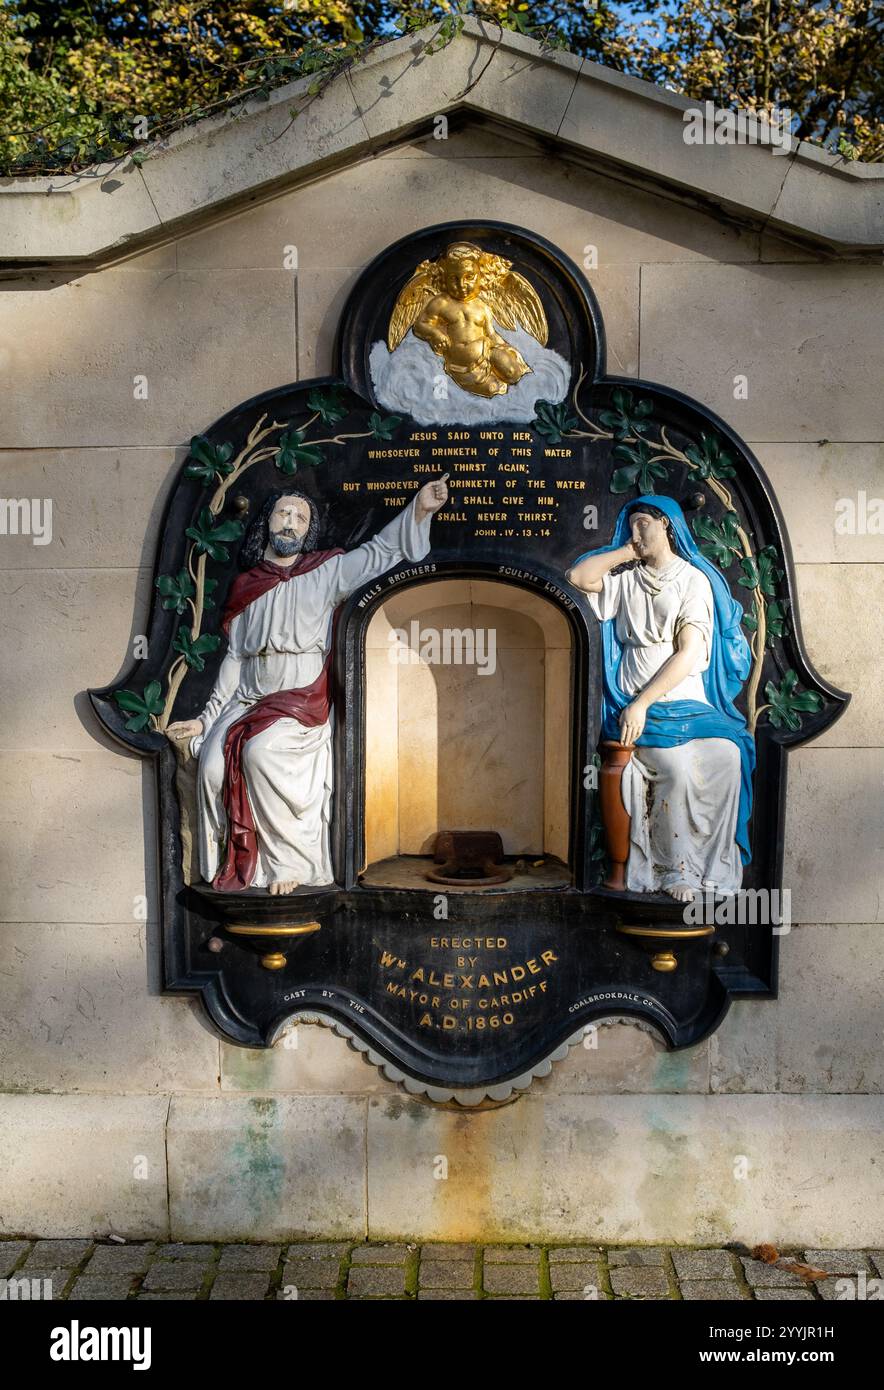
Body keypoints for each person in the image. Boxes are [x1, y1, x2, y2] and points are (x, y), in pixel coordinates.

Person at [166, 477, 448, 893]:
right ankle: (233, 864)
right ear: (267, 522)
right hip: (247, 699)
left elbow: (381, 552)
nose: (290, 523)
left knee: (260, 755)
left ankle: (290, 865)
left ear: (308, 530)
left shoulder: (326, 572)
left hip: (300, 703)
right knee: (210, 765)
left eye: (300, 517)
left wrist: (419, 510)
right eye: (283, 513)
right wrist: (207, 721)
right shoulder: (247, 586)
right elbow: (234, 659)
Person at [567, 495, 755, 901]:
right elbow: (579, 577)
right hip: (632, 704)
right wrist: (623, 550)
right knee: (676, 768)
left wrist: (646, 701)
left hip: (680, 701)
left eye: (644, 524)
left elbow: (688, 652)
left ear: (667, 525)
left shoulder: (692, 580)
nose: (637, 532)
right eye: (630, 524)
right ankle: (674, 870)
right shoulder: (626, 580)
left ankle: (712, 865)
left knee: (728, 756)